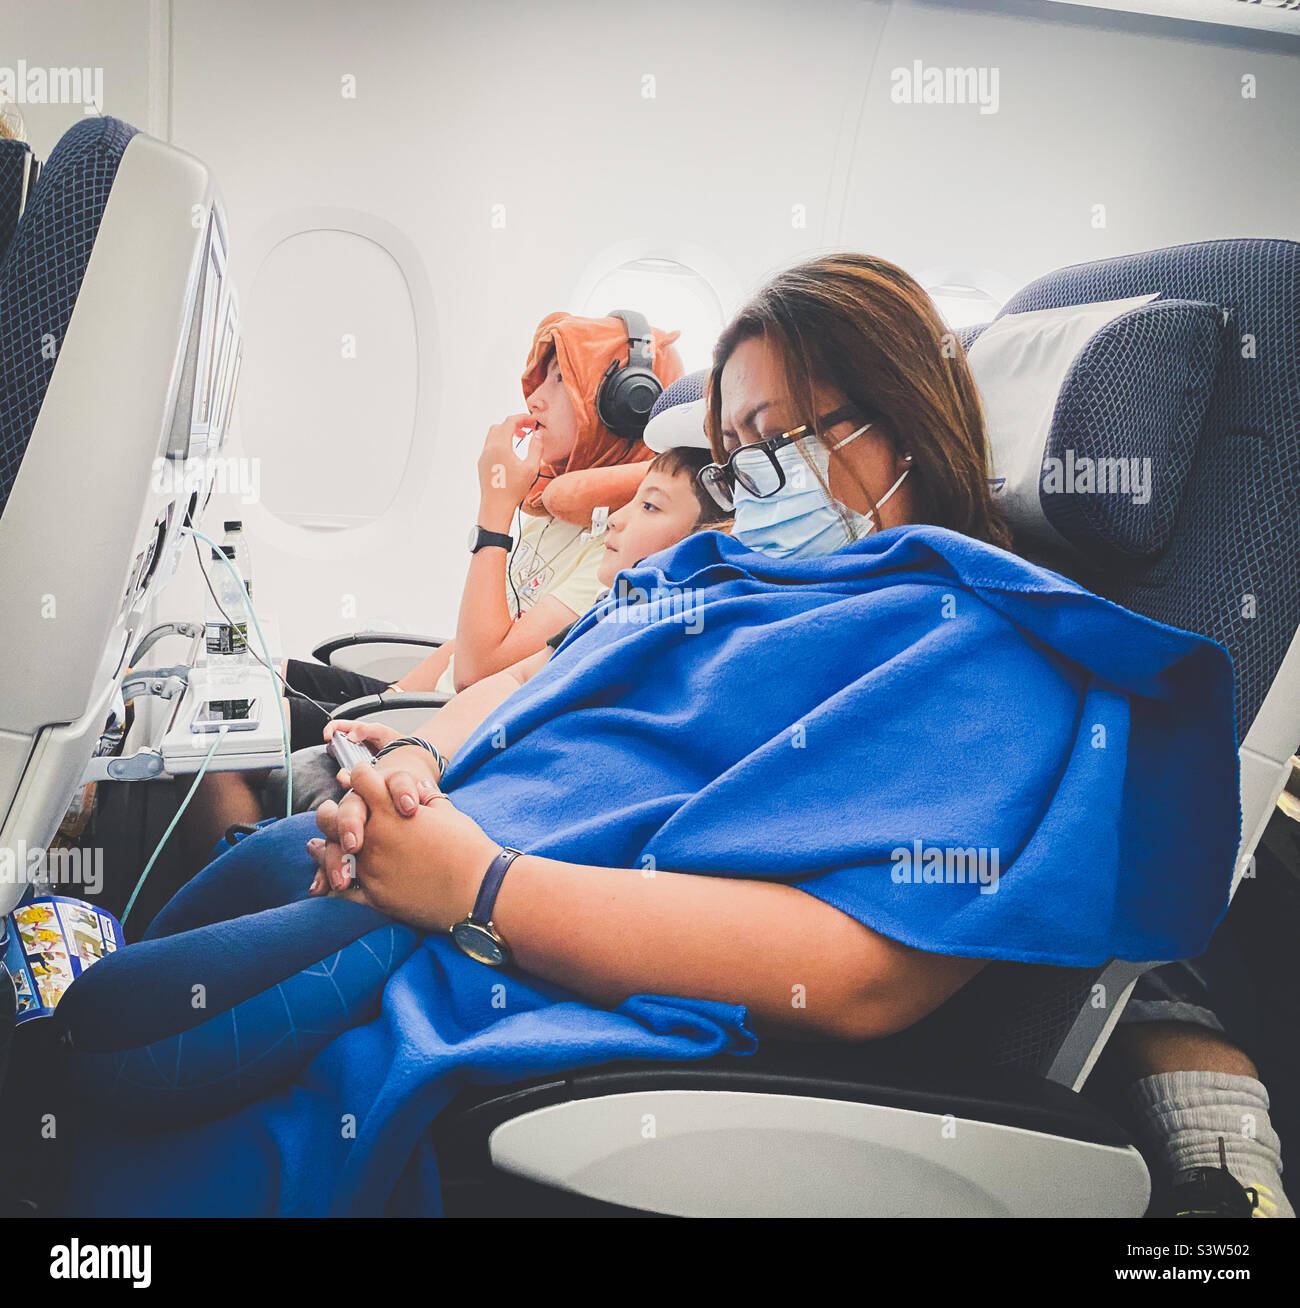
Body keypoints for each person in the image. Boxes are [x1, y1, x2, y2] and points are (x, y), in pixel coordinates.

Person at [47, 254, 1252, 1218]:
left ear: (905, 422)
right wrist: (410, 767)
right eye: (734, 457)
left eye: (783, 439)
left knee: (147, 1119)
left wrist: (477, 885)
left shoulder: (986, 650)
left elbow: (855, 976)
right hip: (436, 864)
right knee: (111, 1023)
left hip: (522, 941)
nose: (750, 483)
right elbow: (517, 695)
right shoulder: (723, 575)